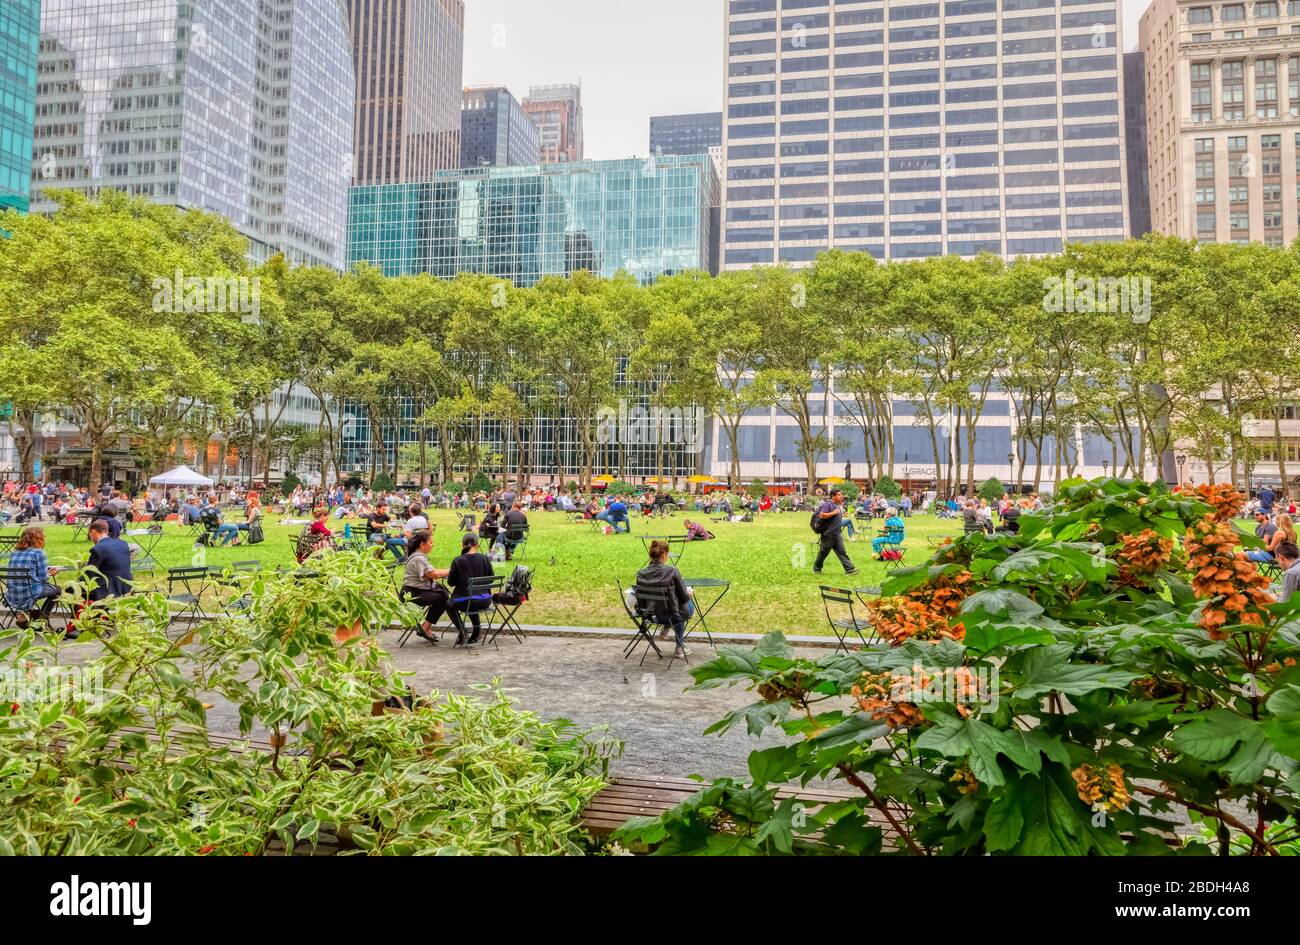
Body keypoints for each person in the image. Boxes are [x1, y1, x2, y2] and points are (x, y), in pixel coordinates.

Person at [636, 539, 696, 659]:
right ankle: (679, 647)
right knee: (684, 606)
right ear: (664, 554)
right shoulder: (672, 570)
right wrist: (690, 594)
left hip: (652, 615)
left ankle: (666, 627)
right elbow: (684, 597)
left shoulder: (641, 573)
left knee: (672, 606)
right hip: (672, 614)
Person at [400, 530, 450, 645]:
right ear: (422, 544)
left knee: (442, 594)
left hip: (414, 591)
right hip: (411, 595)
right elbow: (434, 575)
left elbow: (434, 571)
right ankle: (425, 627)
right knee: (442, 598)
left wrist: (449, 570)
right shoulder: (419, 558)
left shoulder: (420, 556)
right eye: (431, 542)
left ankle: (426, 627)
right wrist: (452, 569)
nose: (433, 545)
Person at [5, 527, 61, 628]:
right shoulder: (39, 553)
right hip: (29, 592)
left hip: (12, 594)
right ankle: (42, 619)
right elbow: (43, 578)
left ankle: (23, 616)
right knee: (57, 590)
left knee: (30, 586)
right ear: (38, 539)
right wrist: (50, 573)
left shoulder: (15, 553)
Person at [447, 531, 495, 645]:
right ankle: (477, 630)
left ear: (462, 545)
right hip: (485, 600)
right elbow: (491, 579)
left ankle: (462, 631)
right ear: (477, 545)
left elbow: (451, 583)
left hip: (467, 601)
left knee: (449, 604)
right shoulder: (484, 558)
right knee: (471, 598)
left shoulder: (458, 560)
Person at [813, 488, 858, 576]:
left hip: (837, 533)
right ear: (833, 496)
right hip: (829, 534)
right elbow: (822, 515)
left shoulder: (837, 505)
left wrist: (840, 514)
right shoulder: (828, 504)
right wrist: (833, 513)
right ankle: (816, 569)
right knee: (823, 552)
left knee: (842, 552)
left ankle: (849, 569)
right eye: (839, 495)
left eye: (841, 494)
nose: (841, 496)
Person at [86, 519, 133, 602]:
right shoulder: (123, 543)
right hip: (126, 585)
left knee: (71, 590)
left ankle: (85, 614)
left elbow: (89, 574)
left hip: (107, 589)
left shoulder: (98, 549)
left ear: (92, 531)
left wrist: (76, 583)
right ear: (106, 532)